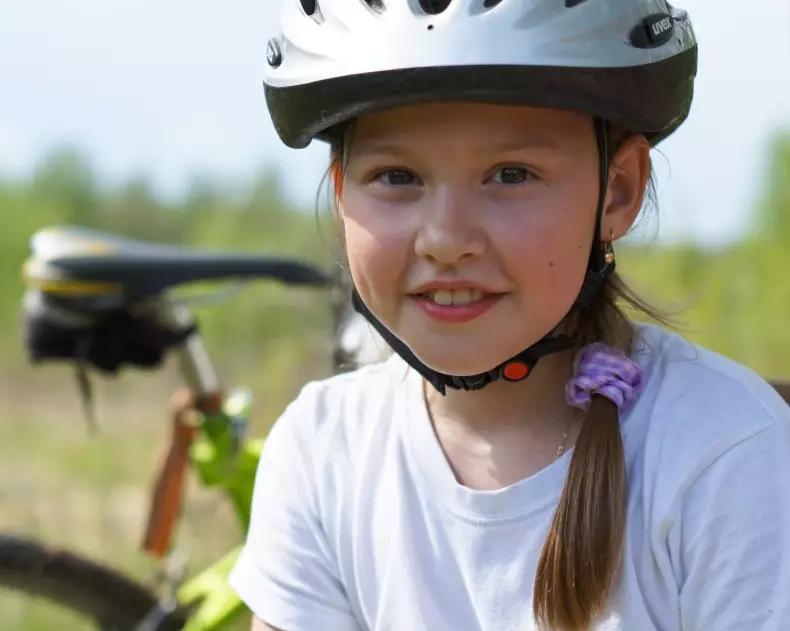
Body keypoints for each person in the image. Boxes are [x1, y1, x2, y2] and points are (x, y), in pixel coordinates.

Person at [229, 1, 790, 629]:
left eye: (511, 174)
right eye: (396, 176)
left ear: (619, 190)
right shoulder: (322, 452)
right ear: (341, 194)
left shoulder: (726, 454)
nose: (445, 238)